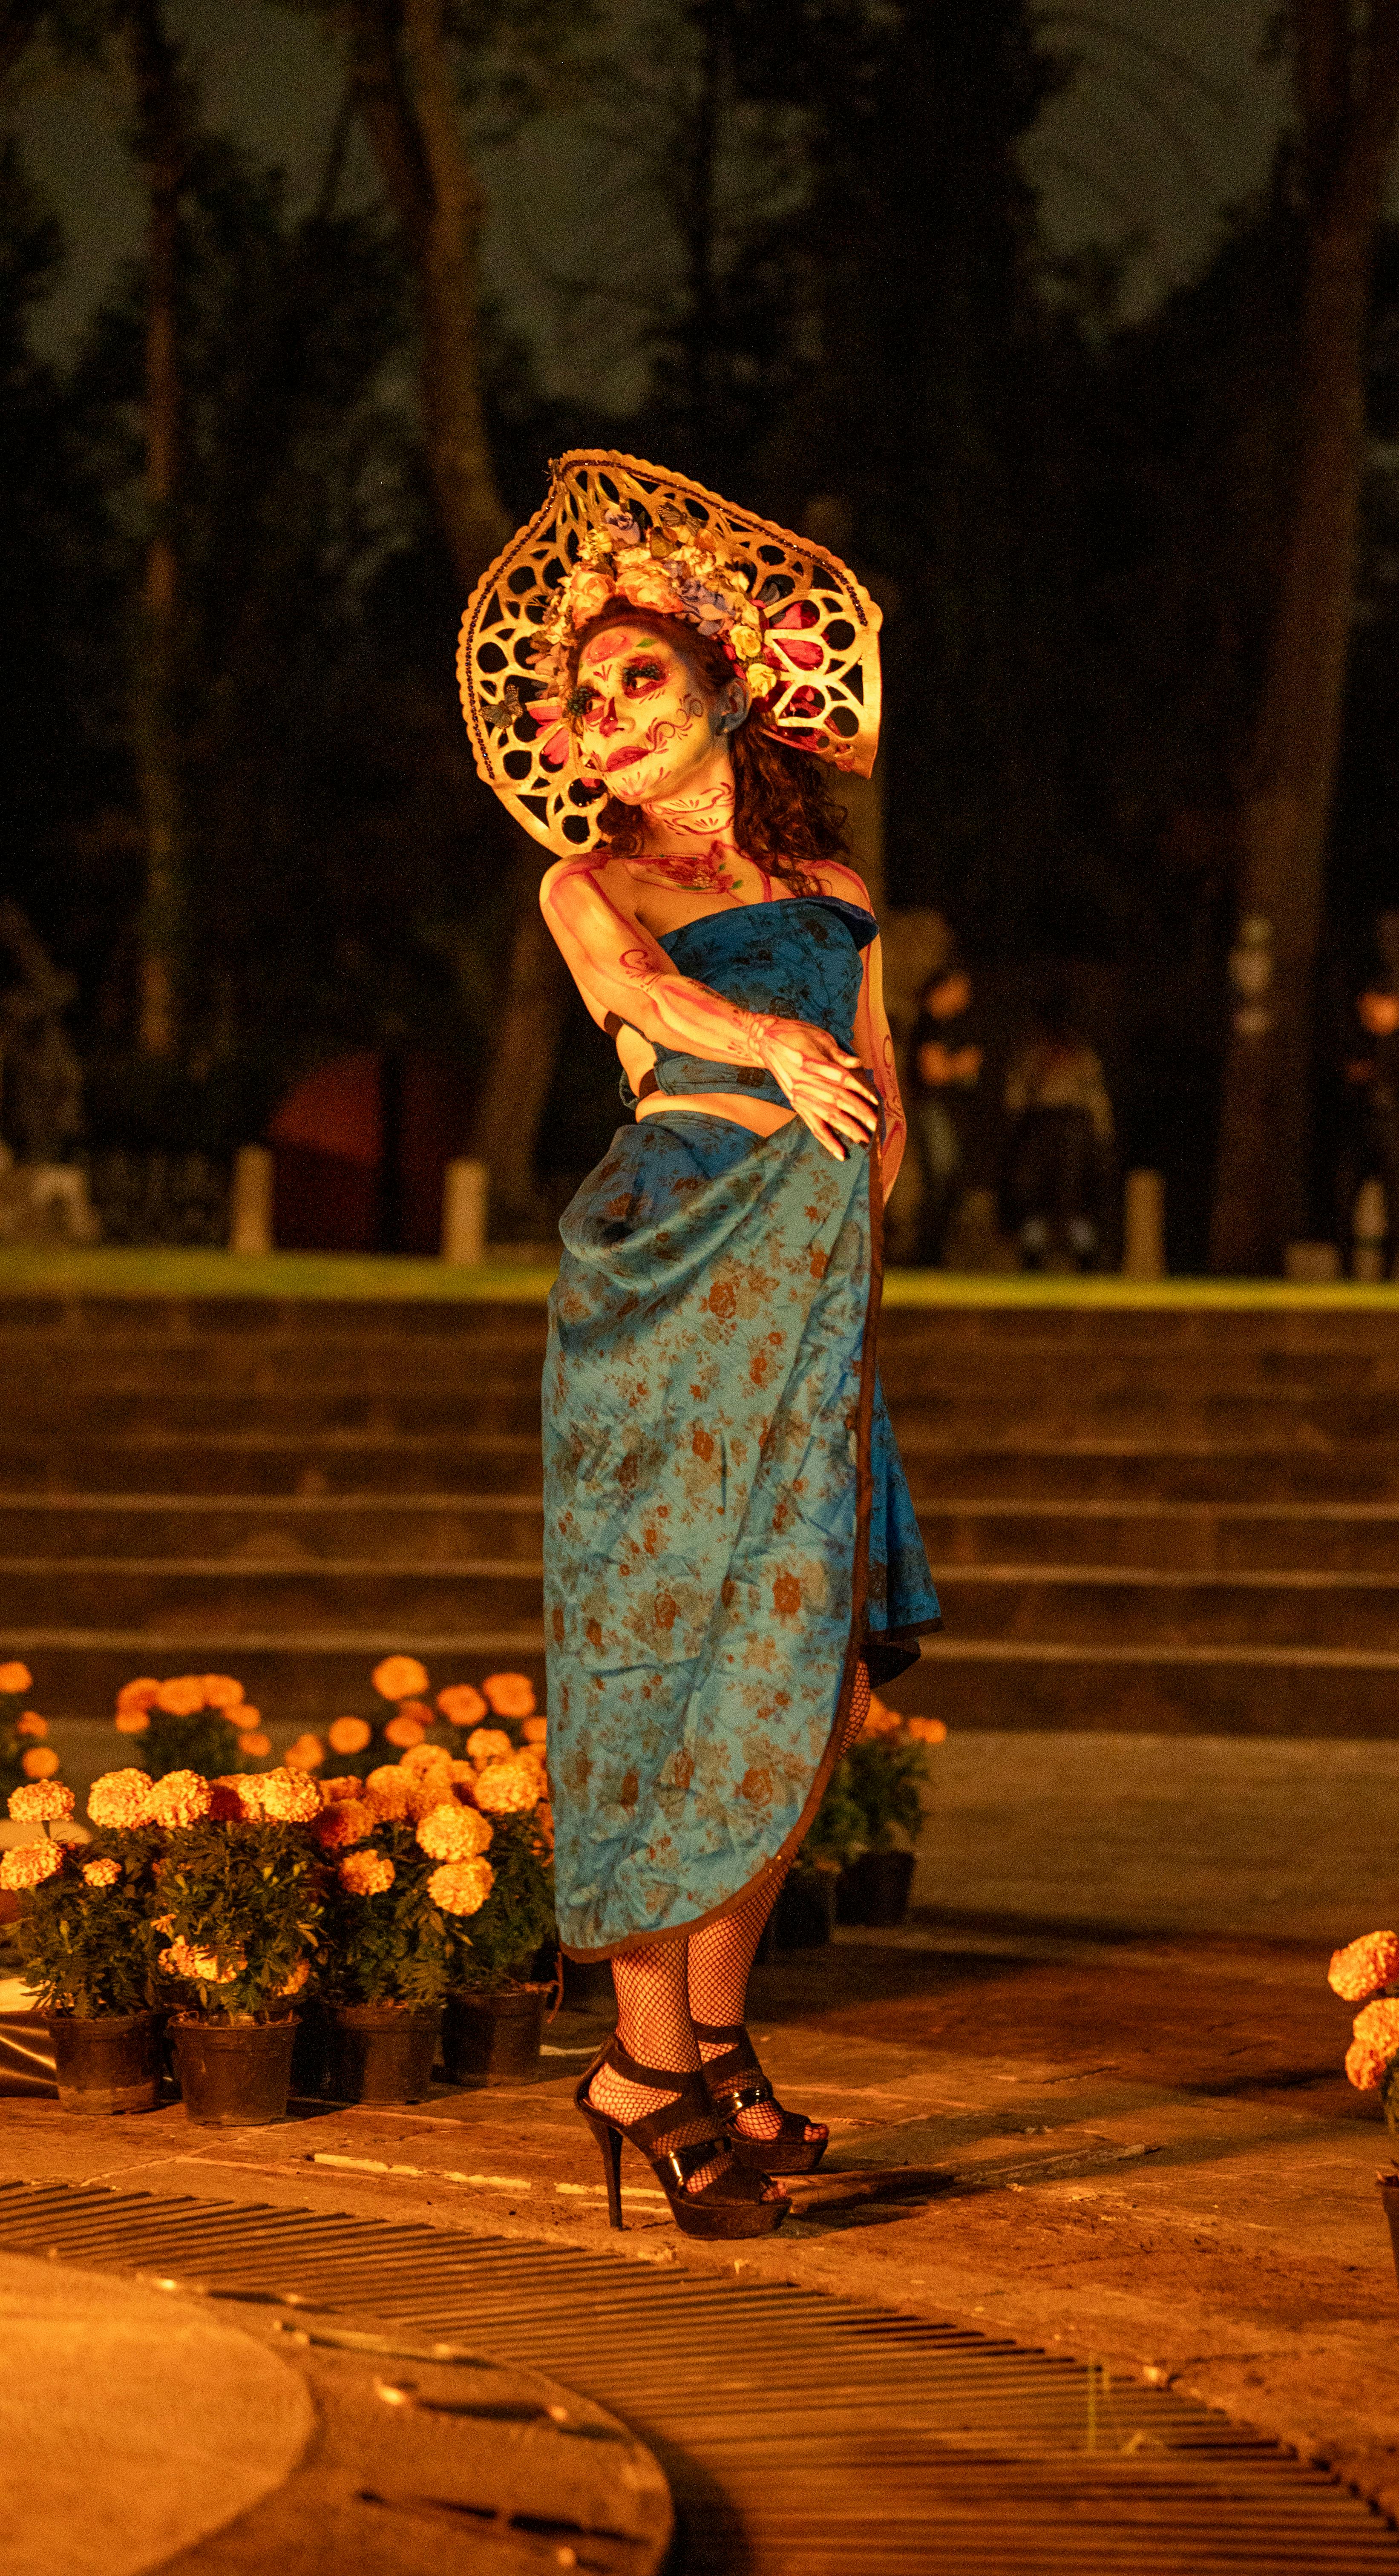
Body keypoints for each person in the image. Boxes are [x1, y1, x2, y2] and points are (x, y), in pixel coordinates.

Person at [457, 454, 940, 2243]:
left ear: (725, 688)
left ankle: (706, 2034)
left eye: (631, 678)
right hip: (671, 1287)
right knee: (665, 1663)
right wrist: (770, 1057)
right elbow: (646, 1011)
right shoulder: (591, 886)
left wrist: (867, 1189)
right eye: (577, 698)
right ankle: (643, 2065)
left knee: (808, 1680)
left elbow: (884, 1104)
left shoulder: (833, 887)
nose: (598, 715)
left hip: (810, 1307)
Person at [1000, 986, 1113, 1271]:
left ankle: (1083, 1253)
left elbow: (1094, 1094)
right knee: (1035, 1191)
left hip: (1073, 1125)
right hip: (1040, 1123)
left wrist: (1101, 1132)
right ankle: (1034, 1253)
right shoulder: (1034, 1053)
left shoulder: (1080, 1053)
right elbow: (1018, 1091)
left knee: (1073, 1192)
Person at [1333, 985, 1399, 1279]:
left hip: (1391, 1131)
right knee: (1345, 1204)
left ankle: (1389, 1274)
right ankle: (1347, 1273)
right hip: (1356, 1131)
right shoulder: (1352, 1038)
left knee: (1394, 1204)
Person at [909, 961, 982, 1265]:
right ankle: (927, 1254)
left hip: (945, 1113)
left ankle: (933, 1254)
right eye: (962, 990)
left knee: (948, 1180)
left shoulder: (949, 1026)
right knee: (941, 1179)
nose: (966, 998)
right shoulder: (930, 1024)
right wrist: (961, 1066)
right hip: (931, 1111)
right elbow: (932, 1072)